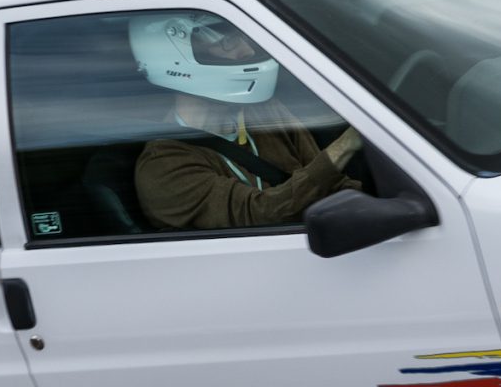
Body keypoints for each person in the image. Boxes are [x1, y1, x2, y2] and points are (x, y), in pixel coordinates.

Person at [129, 12, 362, 231]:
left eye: (242, 37)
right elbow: (261, 216)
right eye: (227, 41)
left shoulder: (264, 112)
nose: (247, 50)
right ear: (175, 59)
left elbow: (330, 183)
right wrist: (347, 144)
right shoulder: (162, 167)